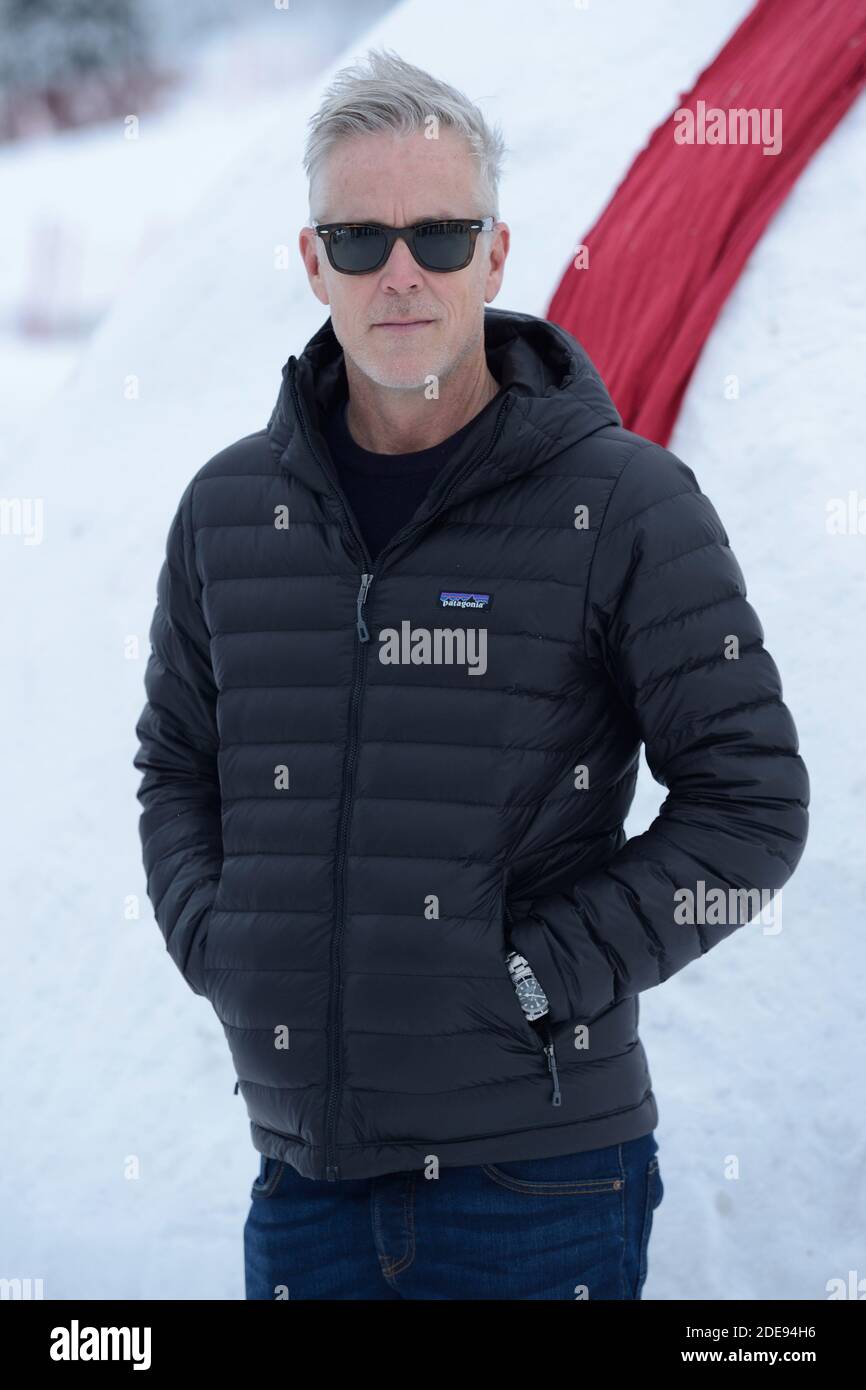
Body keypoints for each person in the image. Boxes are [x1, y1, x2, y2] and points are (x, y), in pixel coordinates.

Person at [133, 48, 809, 1301]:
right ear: (312, 262)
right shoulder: (228, 510)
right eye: (360, 239)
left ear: (495, 257)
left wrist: (532, 979)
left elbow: (751, 807)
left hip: (537, 1190)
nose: (401, 273)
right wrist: (223, 946)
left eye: (440, 235)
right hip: (301, 1186)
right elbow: (175, 761)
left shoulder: (623, 503)